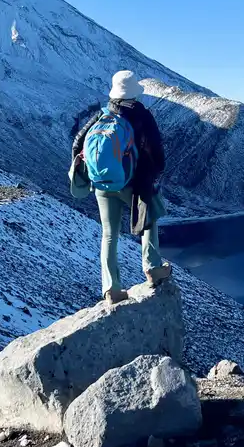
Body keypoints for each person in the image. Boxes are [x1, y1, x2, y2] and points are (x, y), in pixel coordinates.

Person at [71, 70, 172, 304]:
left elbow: (78, 142)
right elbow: (155, 147)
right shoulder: (140, 114)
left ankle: (111, 289)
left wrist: (84, 170)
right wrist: (155, 172)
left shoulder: (102, 114)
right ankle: (153, 268)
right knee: (149, 219)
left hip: (102, 184)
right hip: (131, 182)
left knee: (109, 234)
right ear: (134, 92)